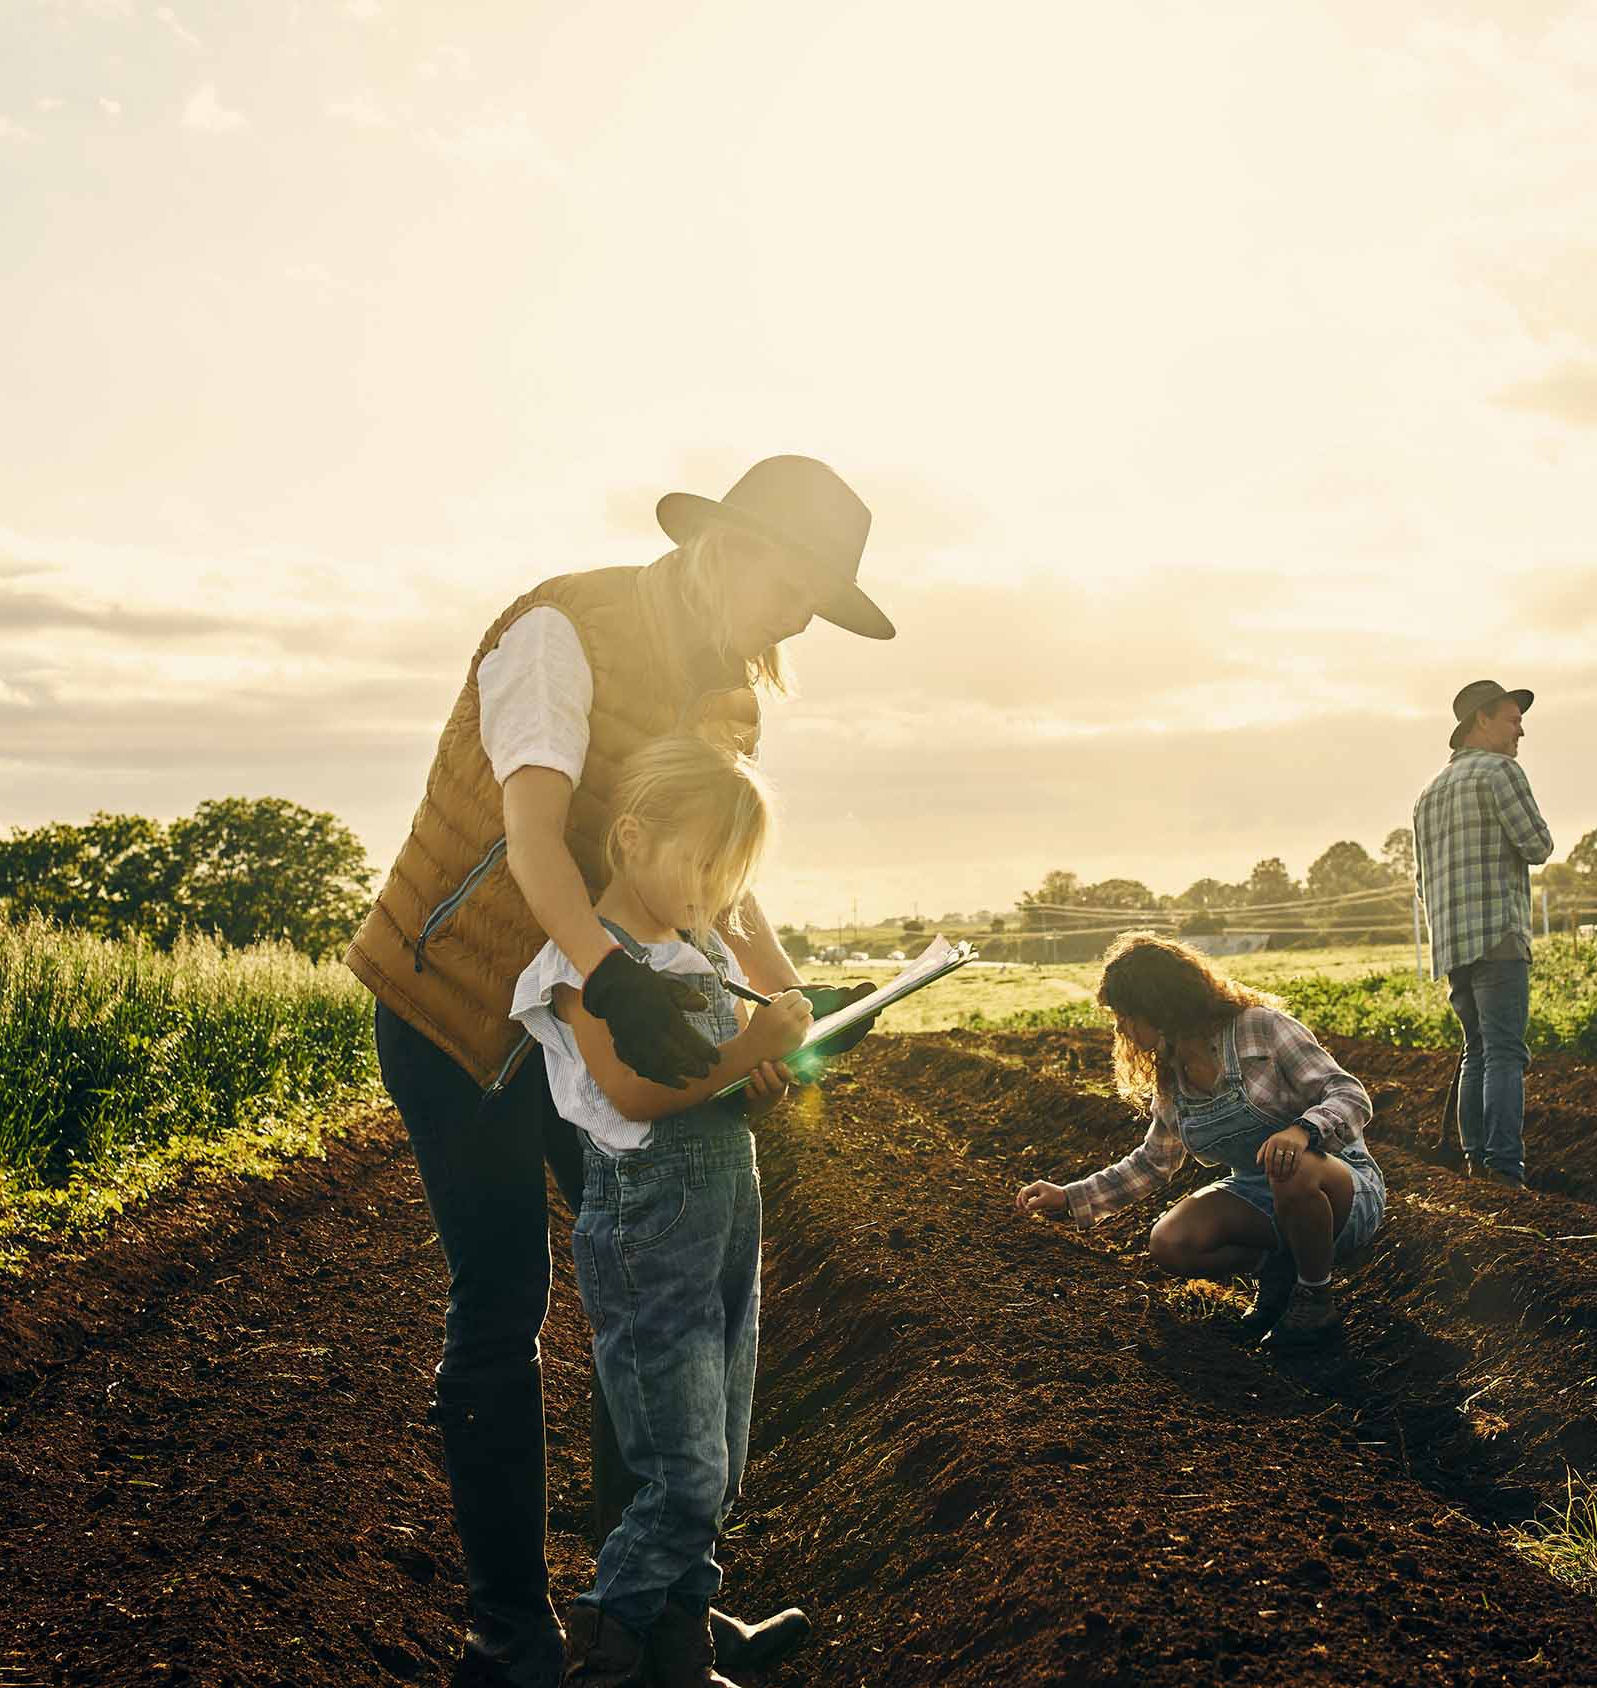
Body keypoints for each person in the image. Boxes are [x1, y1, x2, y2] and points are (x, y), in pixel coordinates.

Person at [346, 456, 892, 1687]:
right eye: (797, 585)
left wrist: (781, 1001)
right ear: (731, 549)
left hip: (594, 1007)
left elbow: (718, 865)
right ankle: (513, 1633)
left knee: (647, 1301)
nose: (801, 617)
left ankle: (644, 1614)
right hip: (466, 1010)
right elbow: (534, 836)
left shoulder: (719, 678)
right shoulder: (559, 631)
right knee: (504, 1302)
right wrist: (615, 978)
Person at [510, 732, 807, 1688]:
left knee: (718, 1459)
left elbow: (713, 1080)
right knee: (680, 1471)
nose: (717, 888)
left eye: (733, 873)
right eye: (703, 861)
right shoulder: (585, 966)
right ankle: (607, 1641)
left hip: (727, 1206)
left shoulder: (701, 948)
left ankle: (679, 1653)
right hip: (650, 1225)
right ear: (631, 837)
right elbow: (634, 1095)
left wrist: (761, 1072)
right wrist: (744, 1045)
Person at [1013, 932, 1386, 1349]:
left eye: (1125, 1013)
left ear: (1158, 1004)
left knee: (1291, 1166)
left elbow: (1349, 1094)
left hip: (1340, 1189)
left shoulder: (1259, 1029)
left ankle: (1315, 1300)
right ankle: (1280, 1272)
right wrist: (1069, 1197)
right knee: (1171, 1242)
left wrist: (1302, 1131)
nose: (1120, 1026)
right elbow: (1152, 1162)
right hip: (1260, 1194)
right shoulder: (1172, 1076)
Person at [1413, 678, 1554, 1186]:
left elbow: (1422, 882)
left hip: (1452, 944)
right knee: (1505, 1053)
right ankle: (1504, 1169)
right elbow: (1537, 845)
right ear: (1482, 720)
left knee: (1477, 1050)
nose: (1521, 731)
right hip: (1498, 935)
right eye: (1514, 719)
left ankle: (1477, 1164)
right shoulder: (1502, 773)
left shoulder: (1427, 794)